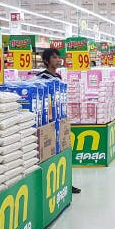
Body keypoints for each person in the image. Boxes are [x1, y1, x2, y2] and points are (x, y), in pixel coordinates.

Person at [37, 48, 81, 195]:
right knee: (50, 155)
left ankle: (66, 184)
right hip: (48, 122)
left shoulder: (58, 77)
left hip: (60, 119)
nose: (58, 60)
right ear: (46, 61)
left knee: (64, 152)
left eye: (58, 57)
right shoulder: (42, 78)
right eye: (54, 57)